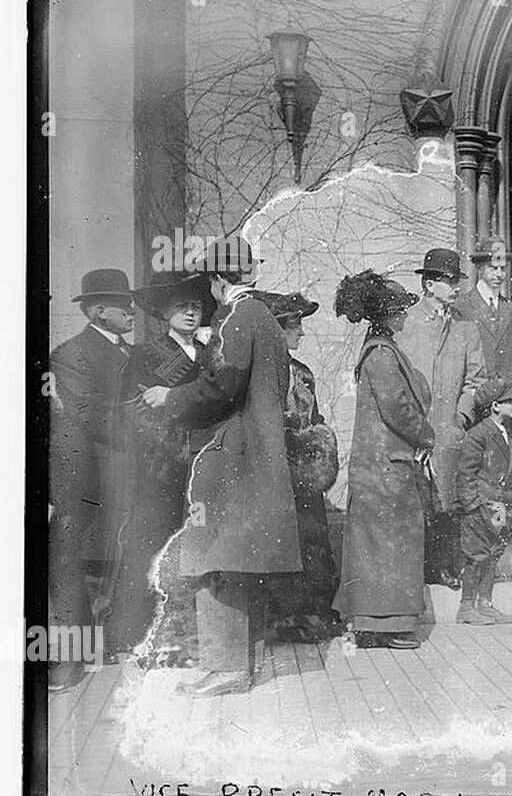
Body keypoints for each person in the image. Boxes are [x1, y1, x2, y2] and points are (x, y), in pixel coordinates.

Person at [142, 244, 302, 696]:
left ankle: (226, 668)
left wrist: (169, 398)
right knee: (235, 560)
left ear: (218, 281)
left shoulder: (238, 317)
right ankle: (238, 662)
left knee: (215, 559)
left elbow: (222, 384)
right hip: (254, 453)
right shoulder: (264, 318)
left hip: (231, 454)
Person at [107, 270, 213, 662]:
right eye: (181, 304)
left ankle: (181, 640)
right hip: (159, 470)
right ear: (164, 310)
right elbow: (133, 412)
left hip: (199, 470)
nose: (190, 311)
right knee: (146, 550)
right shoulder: (143, 355)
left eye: (197, 305)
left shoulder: (209, 357)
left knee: (192, 555)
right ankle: (127, 638)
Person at [332, 271, 435, 649]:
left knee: (378, 544)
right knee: (390, 544)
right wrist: (427, 434)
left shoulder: (379, 350)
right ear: (389, 314)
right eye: (401, 310)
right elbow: (398, 408)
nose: (406, 315)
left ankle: (376, 623)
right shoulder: (381, 355)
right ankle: (385, 625)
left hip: (380, 466)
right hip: (386, 467)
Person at [49, 268, 134, 689]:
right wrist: (146, 419)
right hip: (93, 479)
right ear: (99, 311)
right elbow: (88, 415)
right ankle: (71, 658)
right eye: (124, 305)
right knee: (76, 563)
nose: (133, 311)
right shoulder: (71, 355)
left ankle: (115, 643)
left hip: (132, 474)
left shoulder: (131, 355)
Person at [397, 247, 485, 591]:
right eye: (449, 281)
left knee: (447, 500)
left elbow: (475, 381)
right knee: (413, 499)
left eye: (457, 280)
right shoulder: (405, 323)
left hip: (448, 428)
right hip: (411, 427)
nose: (456, 287)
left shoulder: (466, 329)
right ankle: (413, 570)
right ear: (429, 284)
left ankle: (444, 567)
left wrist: (461, 416)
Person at [264, 291, 342, 643]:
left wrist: (318, 446)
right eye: (295, 325)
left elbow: (316, 416)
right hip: (276, 476)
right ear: (277, 329)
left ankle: (315, 613)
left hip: (306, 476)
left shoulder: (303, 373)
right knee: (283, 543)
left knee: (313, 541)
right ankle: (286, 618)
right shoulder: (263, 371)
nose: (302, 332)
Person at [456, 378, 512, 625]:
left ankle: (485, 604)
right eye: (509, 401)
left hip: (497, 505)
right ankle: (466, 607)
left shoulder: (505, 433)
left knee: (494, 552)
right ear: (495, 405)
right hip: (480, 507)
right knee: (476, 556)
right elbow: (465, 474)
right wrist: (471, 507)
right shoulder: (478, 435)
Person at [456, 240, 512, 383]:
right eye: (493, 268)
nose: (499, 275)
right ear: (479, 268)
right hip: (476, 390)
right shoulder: (461, 306)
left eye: (503, 269)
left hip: (508, 395)